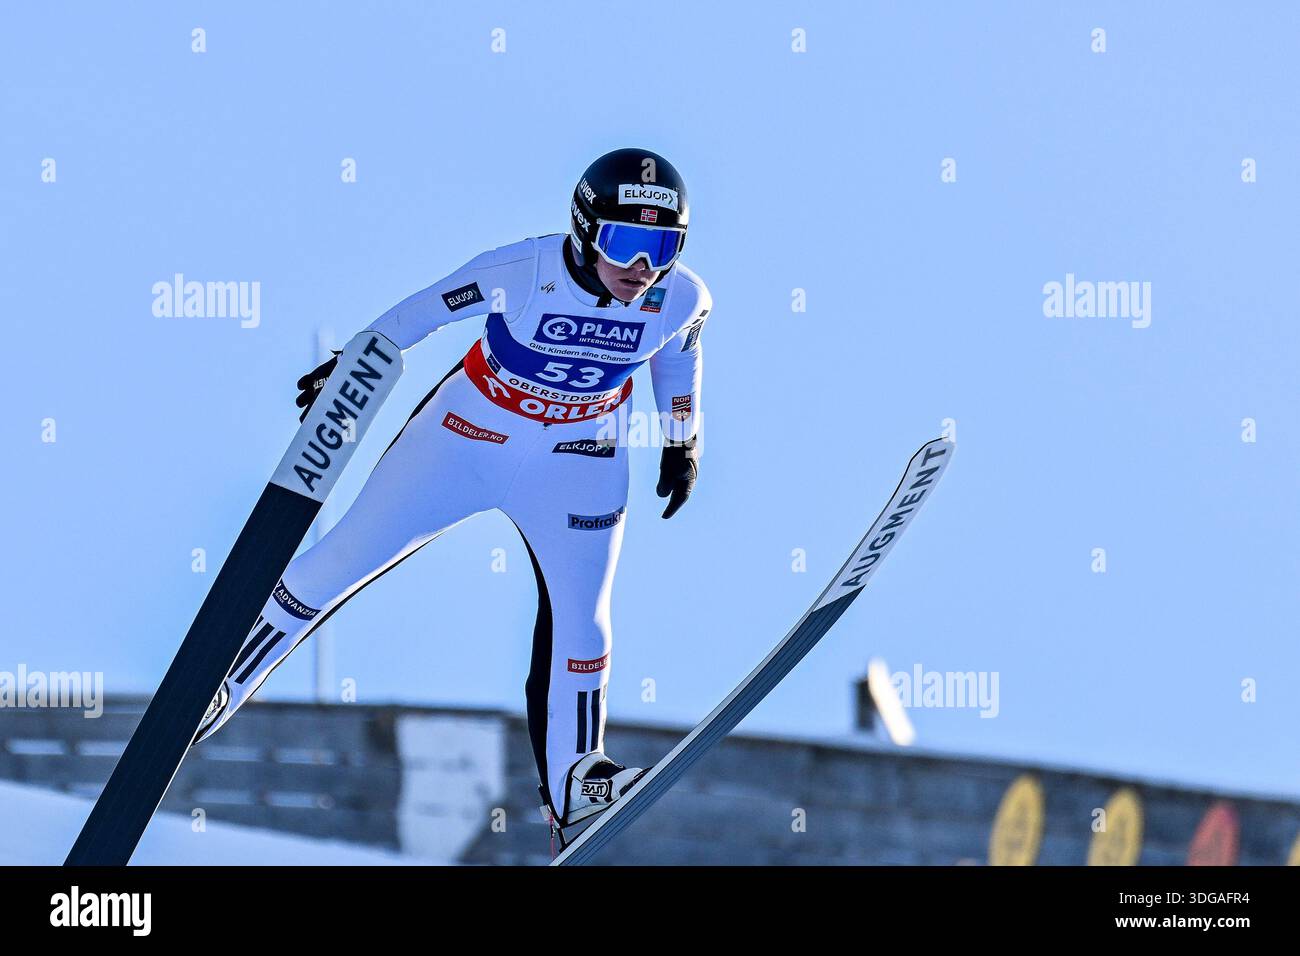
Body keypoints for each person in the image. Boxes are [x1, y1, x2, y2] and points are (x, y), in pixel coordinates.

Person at [194, 148, 712, 834]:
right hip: (466, 438)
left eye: (662, 247)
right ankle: (218, 684)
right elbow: (419, 314)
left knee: (584, 618)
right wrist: (355, 366)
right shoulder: (522, 271)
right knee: (344, 557)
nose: (641, 268)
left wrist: (683, 442)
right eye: (625, 242)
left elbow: (680, 356)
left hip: (579, 456)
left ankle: (576, 780)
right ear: (585, 230)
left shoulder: (680, 297)